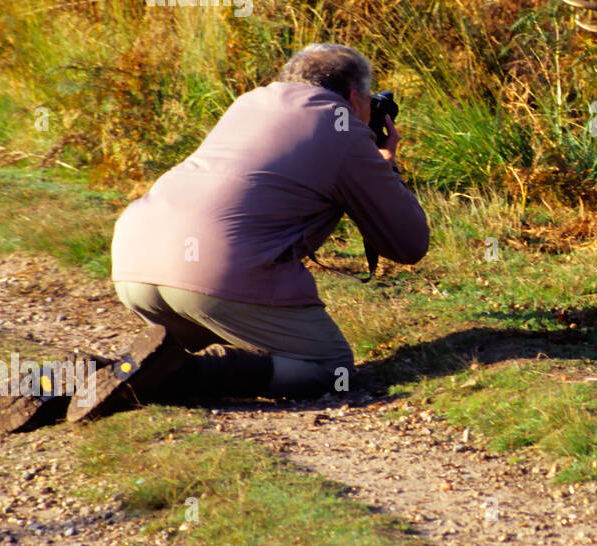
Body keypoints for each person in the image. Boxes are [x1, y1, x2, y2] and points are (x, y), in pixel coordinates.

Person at [73, 43, 430, 422]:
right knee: (332, 368)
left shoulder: (248, 104)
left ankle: (86, 377)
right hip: (213, 277)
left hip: (135, 264)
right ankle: (179, 377)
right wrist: (384, 167)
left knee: (205, 338)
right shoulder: (342, 127)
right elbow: (408, 245)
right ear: (355, 96)